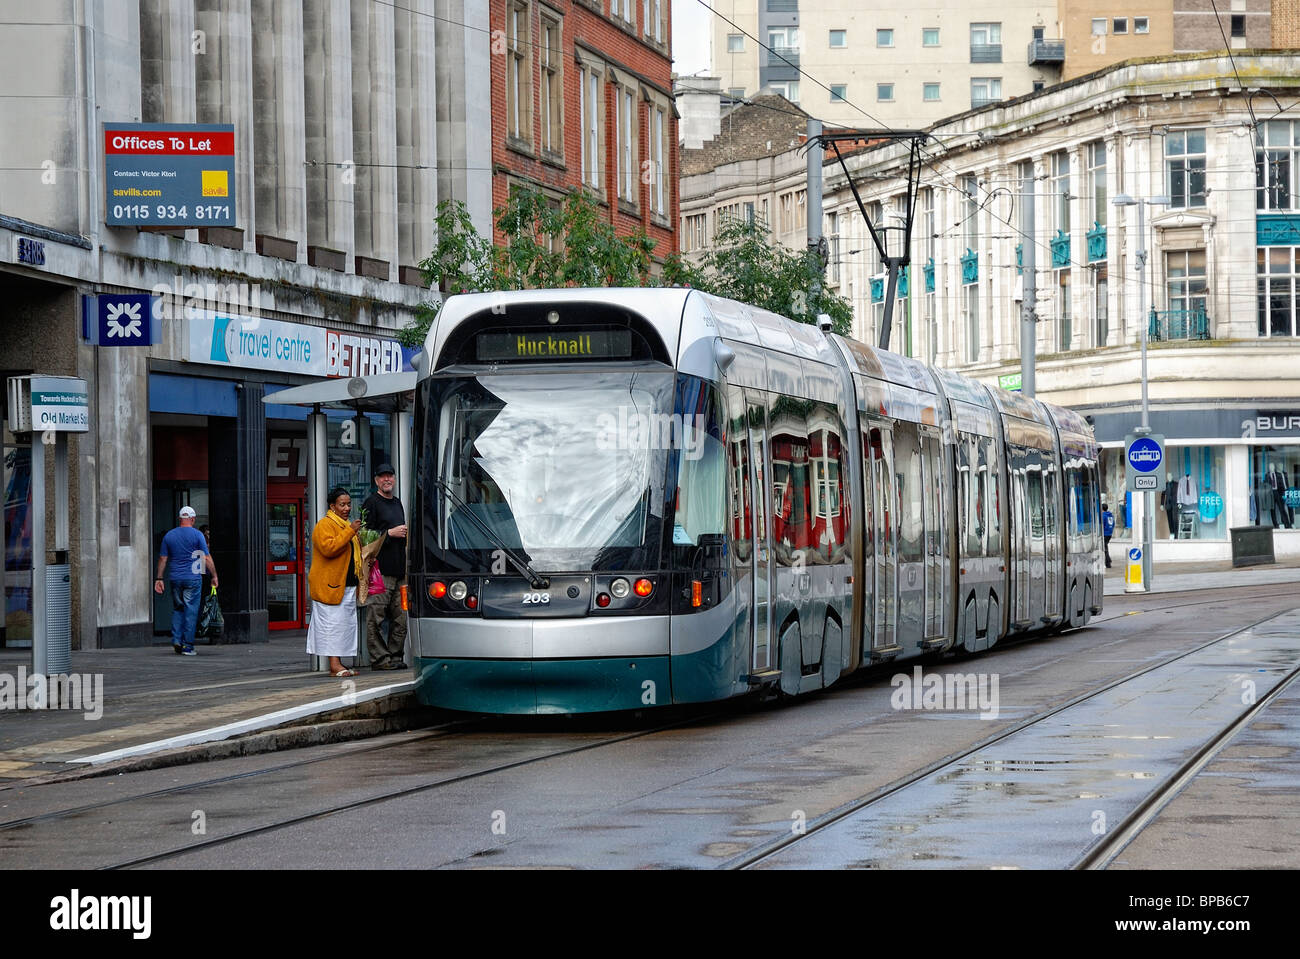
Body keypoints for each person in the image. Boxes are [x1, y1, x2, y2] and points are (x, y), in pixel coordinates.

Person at [307, 487, 363, 678]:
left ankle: (340, 663)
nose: (347, 508)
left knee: (345, 625)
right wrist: (350, 531)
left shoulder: (344, 525)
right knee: (332, 625)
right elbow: (329, 548)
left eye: (348, 504)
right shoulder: (324, 525)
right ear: (332, 506)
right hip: (330, 586)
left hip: (346, 584)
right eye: (342, 504)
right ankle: (334, 665)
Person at [361, 463, 409, 671]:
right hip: (380, 572)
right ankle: (380, 660)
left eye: (390, 476)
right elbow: (364, 536)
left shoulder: (397, 503)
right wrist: (389, 533)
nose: (387, 479)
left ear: (395, 479)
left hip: (400, 571)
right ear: (376, 481)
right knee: (376, 617)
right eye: (382, 477)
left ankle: (396, 656)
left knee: (401, 617)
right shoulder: (371, 503)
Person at [154, 506, 218, 656]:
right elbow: (206, 558)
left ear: (180, 519)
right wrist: (214, 575)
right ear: (193, 519)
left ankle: (176, 639)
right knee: (191, 611)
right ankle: (187, 646)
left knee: (178, 609)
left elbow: (163, 558)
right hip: (193, 579)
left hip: (175, 578)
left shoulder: (169, 536)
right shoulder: (197, 535)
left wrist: (159, 578)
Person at [1101, 502, 1114, 569]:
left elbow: (1101, 525)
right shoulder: (1111, 515)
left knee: (1104, 549)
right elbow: (1113, 524)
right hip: (1109, 534)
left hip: (1104, 534)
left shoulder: (1103, 516)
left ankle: (1108, 563)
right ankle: (1108, 560)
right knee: (1105, 547)